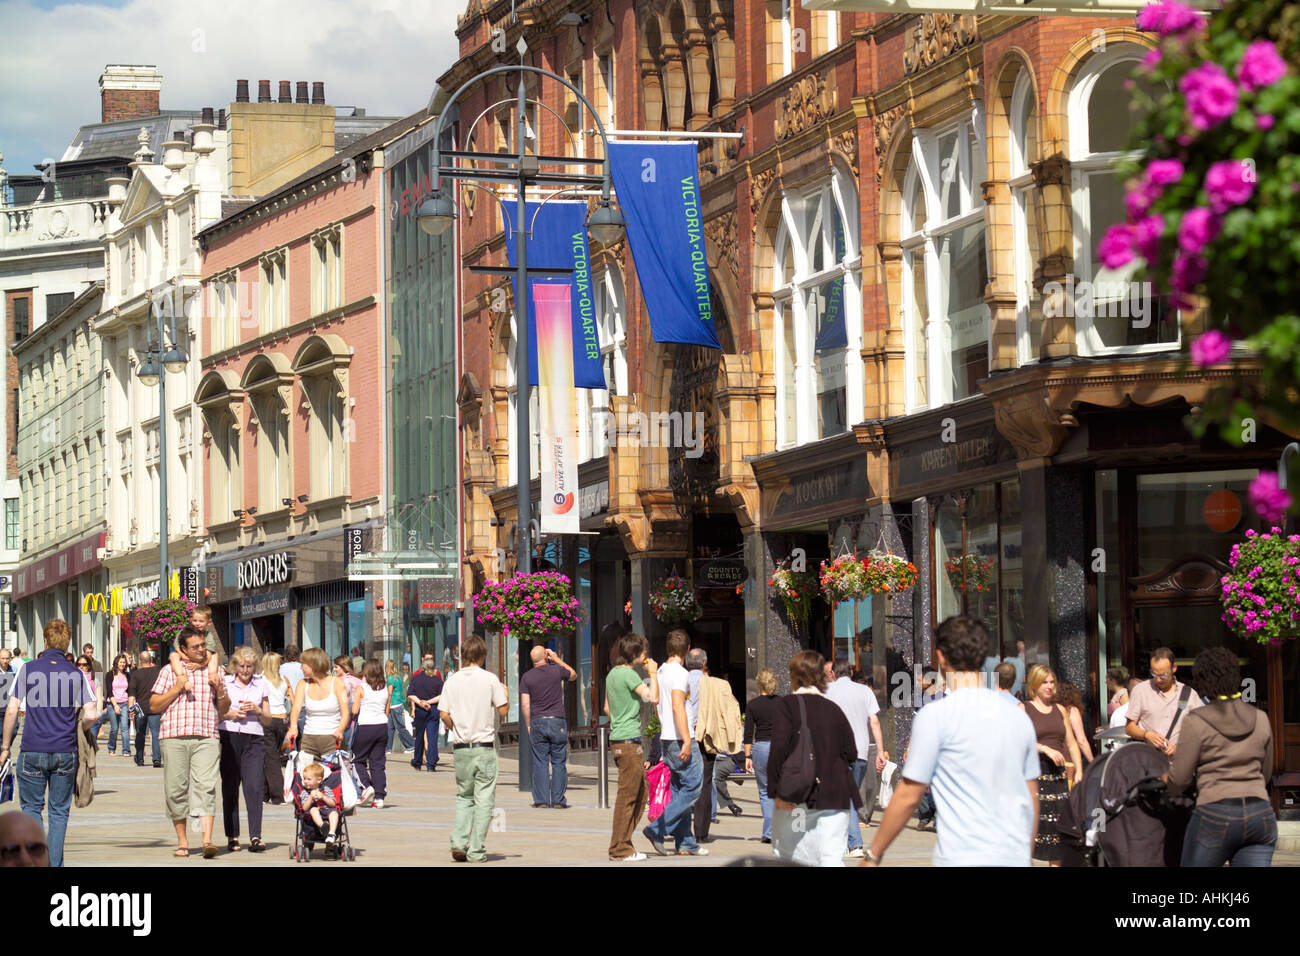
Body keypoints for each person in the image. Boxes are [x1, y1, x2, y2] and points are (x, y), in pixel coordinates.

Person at [865, 617, 1040, 868]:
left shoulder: (935, 716)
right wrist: (1026, 854)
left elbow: (908, 795)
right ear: (983, 657)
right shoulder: (1017, 716)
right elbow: (1030, 794)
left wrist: (873, 855)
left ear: (941, 657)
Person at [1, 620, 99, 867]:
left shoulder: (28, 669)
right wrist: (80, 729)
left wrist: (4, 747)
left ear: (45, 641)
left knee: (32, 810)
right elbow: (92, 714)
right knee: (58, 813)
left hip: (32, 748)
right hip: (65, 751)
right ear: (67, 644)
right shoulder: (76, 673)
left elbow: (12, 709)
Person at [1167, 646, 1276, 867]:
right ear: (1235, 676)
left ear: (1201, 680)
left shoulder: (1196, 721)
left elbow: (1179, 780)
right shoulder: (1261, 717)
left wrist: (1165, 781)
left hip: (1215, 812)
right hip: (1260, 814)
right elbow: (1266, 773)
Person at [768, 650, 860, 867]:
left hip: (797, 797)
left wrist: (775, 791)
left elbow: (779, 749)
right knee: (830, 857)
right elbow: (851, 753)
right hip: (836, 795)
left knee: (790, 854)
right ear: (822, 676)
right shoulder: (833, 709)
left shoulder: (787, 705)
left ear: (793, 676)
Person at [151, 625, 231, 859]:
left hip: (207, 735)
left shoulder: (215, 672)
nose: (201, 650)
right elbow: (154, 706)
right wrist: (177, 688)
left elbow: (224, 710)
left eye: (203, 645)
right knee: (176, 791)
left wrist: (219, 690)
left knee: (206, 787)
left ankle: (207, 841)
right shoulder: (169, 672)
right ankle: (183, 841)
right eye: (195, 646)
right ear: (183, 650)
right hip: (174, 736)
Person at [439, 634, 508, 863]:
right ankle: (476, 848)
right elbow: (503, 711)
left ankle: (459, 842)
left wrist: (455, 727)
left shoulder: (452, 681)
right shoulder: (490, 679)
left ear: (463, 655)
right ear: (482, 655)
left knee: (464, 796)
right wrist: (505, 695)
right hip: (484, 746)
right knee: (484, 799)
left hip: (461, 748)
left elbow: (444, 714)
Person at [642, 631, 706, 857]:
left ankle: (686, 842)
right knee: (693, 786)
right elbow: (679, 706)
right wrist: (687, 739)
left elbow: (656, 705)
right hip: (680, 737)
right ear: (687, 650)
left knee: (679, 788)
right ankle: (657, 829)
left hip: (667, 737)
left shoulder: (659, 672)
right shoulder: (680, 673)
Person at [825, 660, 888, 857]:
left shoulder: (827, 691)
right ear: (851, 672)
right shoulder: (865, 691)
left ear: (833, 673)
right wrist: (880, 751)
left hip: (836, 752)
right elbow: (875, 722)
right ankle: (848, 842)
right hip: (860, 751)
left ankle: (854, 844)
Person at [1020, 664, 1082, 865]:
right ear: (1034, 684)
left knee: (1058, 835)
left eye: (1052, 682)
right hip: (1034, 776)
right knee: (1032, 831)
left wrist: (1079, 770)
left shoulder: (1060, 709)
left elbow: (1072, 742)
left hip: (1058, 777)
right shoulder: (1024, 708)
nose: (1049, 686)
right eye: (1044, 682)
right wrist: (1045, 749)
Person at [604, 633, 658, 861]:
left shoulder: (612, 674)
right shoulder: (629, 674)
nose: (645, 657)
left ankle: (623, 843)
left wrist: (621, 713)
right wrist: (653, 673)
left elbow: (607, 708)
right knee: (628, 796)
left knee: (640, 791)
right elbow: (652, 697)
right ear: (635, 654)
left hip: (618, 739)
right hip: (629, 742)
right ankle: (620, 848)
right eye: (643, 653)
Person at [218, 646, 271, 853]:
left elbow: (268, 719)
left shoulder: (261, 684)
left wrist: (257, 710)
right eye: (241, 666)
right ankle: (232, 836)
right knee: (230, 787)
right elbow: (217, 713)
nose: (245, 670)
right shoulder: (225, 683)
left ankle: (256, 836)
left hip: (254, 737)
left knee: (254, 786)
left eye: (249, 666)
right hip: (230, 735)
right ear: (235, 665)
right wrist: (231, 713)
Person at [692, 648, 742, 843]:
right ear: (704, 664)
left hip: (681, 737)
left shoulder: (679, 679)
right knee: (705, 784)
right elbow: (730, 711)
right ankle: (701, 832)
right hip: (705, 738)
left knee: (681, 785)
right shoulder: (716, 684)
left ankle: (673, 827)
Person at [520, 644, 577, 809]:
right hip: (557, 720)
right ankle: (559, 800)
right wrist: (557, 659)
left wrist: (528, 724)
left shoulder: (527, 677)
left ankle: (542, 800)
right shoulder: (556, 670)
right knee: (559, 761)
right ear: (546, 656)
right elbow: (573, 675)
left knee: (540, 761)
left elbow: (525, 705)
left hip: (537, 720)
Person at [1126, 647, 1202, 756]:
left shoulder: (1190, 694)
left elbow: (1199, 731)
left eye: (1163, 675)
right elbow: (1129, 728)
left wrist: (1180, 747)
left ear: (1174, 668)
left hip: (1179, 764)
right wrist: (1146, 735)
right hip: (1149, 762)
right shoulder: (1140, 691)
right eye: (1154, 674)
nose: (1158, 679)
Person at [286, 648, 350, 758]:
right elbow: (296, 708)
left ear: (313, 665)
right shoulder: (303, 684)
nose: (301, 667)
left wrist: (340, 730)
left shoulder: (337, 683)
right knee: (306, 773)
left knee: (331, 774)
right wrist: (293, 726)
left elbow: (345, 713)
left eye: (303, 664)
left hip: (332, 738)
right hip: (309, 738)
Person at [743, 668, 779, 844]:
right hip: (781, 748)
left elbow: (748, 733)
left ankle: (769, 832)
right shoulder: (783, 703)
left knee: (765, 791)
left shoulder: (753, 705)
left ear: (759, 684)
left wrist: (747, 756)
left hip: (762, 748)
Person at [352, 661, 390, 808]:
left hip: (365, 726)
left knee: (357, 759)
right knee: (378, 762)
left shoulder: (361, 688)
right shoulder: (386, 688)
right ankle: (379, 797)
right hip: (382, 725)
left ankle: (366, 785)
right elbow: (387, 710)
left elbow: (355, 710)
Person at [259, 652, 290, 805]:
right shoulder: (284, 680)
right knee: (271, 755)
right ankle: (264, 794)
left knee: (271, 758)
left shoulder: (260, 680)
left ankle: (278, 795)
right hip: (282, 720)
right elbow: (291, 698)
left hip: (267, 719)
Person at [406, 652, 444, 771]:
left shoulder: (416, 679)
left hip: (420, 710)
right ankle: (431, 764)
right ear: (433, 668)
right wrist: (429, 702)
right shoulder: (438, 681)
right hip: (433, 709)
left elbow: (410, 694)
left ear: (423, 666)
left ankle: (417, 762)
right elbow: (441, 696)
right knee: (432, 737)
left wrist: (421, 703)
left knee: (420, 736)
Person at [127, 650, 162, 767]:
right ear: (151, 660)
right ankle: (157, 759)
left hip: (140, 708)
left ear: (140, 661)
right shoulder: (158, 673)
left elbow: (132, 696)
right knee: (156, 733)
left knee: (140, 733)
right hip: (155, 707)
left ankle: (140, 758)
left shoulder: (135, 675)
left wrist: (131, 711)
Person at [295, 762, 341, 848]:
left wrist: (323, 797)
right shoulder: (304, 792)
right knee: (313, 809)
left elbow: (333, 803)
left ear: (319, 780)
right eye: (304, 779)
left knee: (334, 812)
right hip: (313, 815)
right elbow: (304, 808)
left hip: (327, 810)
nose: (305, 781)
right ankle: (322, 826)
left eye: (309, 779)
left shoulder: (326, 789)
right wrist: (310, 798)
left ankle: (331, 833)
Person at [1055, 679, 1095, 765]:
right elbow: (1081, 740)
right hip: (1069, 758)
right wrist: (1093, 762)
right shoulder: (1071, 710)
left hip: (1054, 757)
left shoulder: (1052, 709)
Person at [105, 654, 133, 758]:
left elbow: (130, 691)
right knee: (114, 728)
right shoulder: (110, 674)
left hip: (125, 703)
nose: (122, 664)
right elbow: (109, 692)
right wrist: (115, 705)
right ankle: (111, 748)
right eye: (120, 662)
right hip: (112, 704)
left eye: (124, 662)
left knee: (125, 728)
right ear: (116, 663)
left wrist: (132, 705)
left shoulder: (128, 675)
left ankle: (126, 750)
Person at [333, 656, 363, 751]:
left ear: (343, 667)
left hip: (346, 712)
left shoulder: (342, 681)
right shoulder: (357, 679)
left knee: (346, 740)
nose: (334, 669)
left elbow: (343, 697)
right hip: (357, 713)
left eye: (336, 667)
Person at [385, 659, 414, 752]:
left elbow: (389, 693)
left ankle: (411, 745)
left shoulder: (390, 678)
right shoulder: (397, 678)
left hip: (394, 705)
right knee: (390, 728)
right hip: (399, 704)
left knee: (400, 728)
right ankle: (388, 748)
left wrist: (387, 706)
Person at [190, 604, 227, 668]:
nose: (197, 624)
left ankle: (212, 674)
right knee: (174, 656)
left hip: (202, 660)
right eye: (195, 620)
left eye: (201, 621)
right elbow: (178, 648)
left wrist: (200, 665)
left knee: (214, 655)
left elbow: (208, 654)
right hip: (187, 658)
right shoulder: (185, 633)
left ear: (209, 622)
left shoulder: (208, 636)